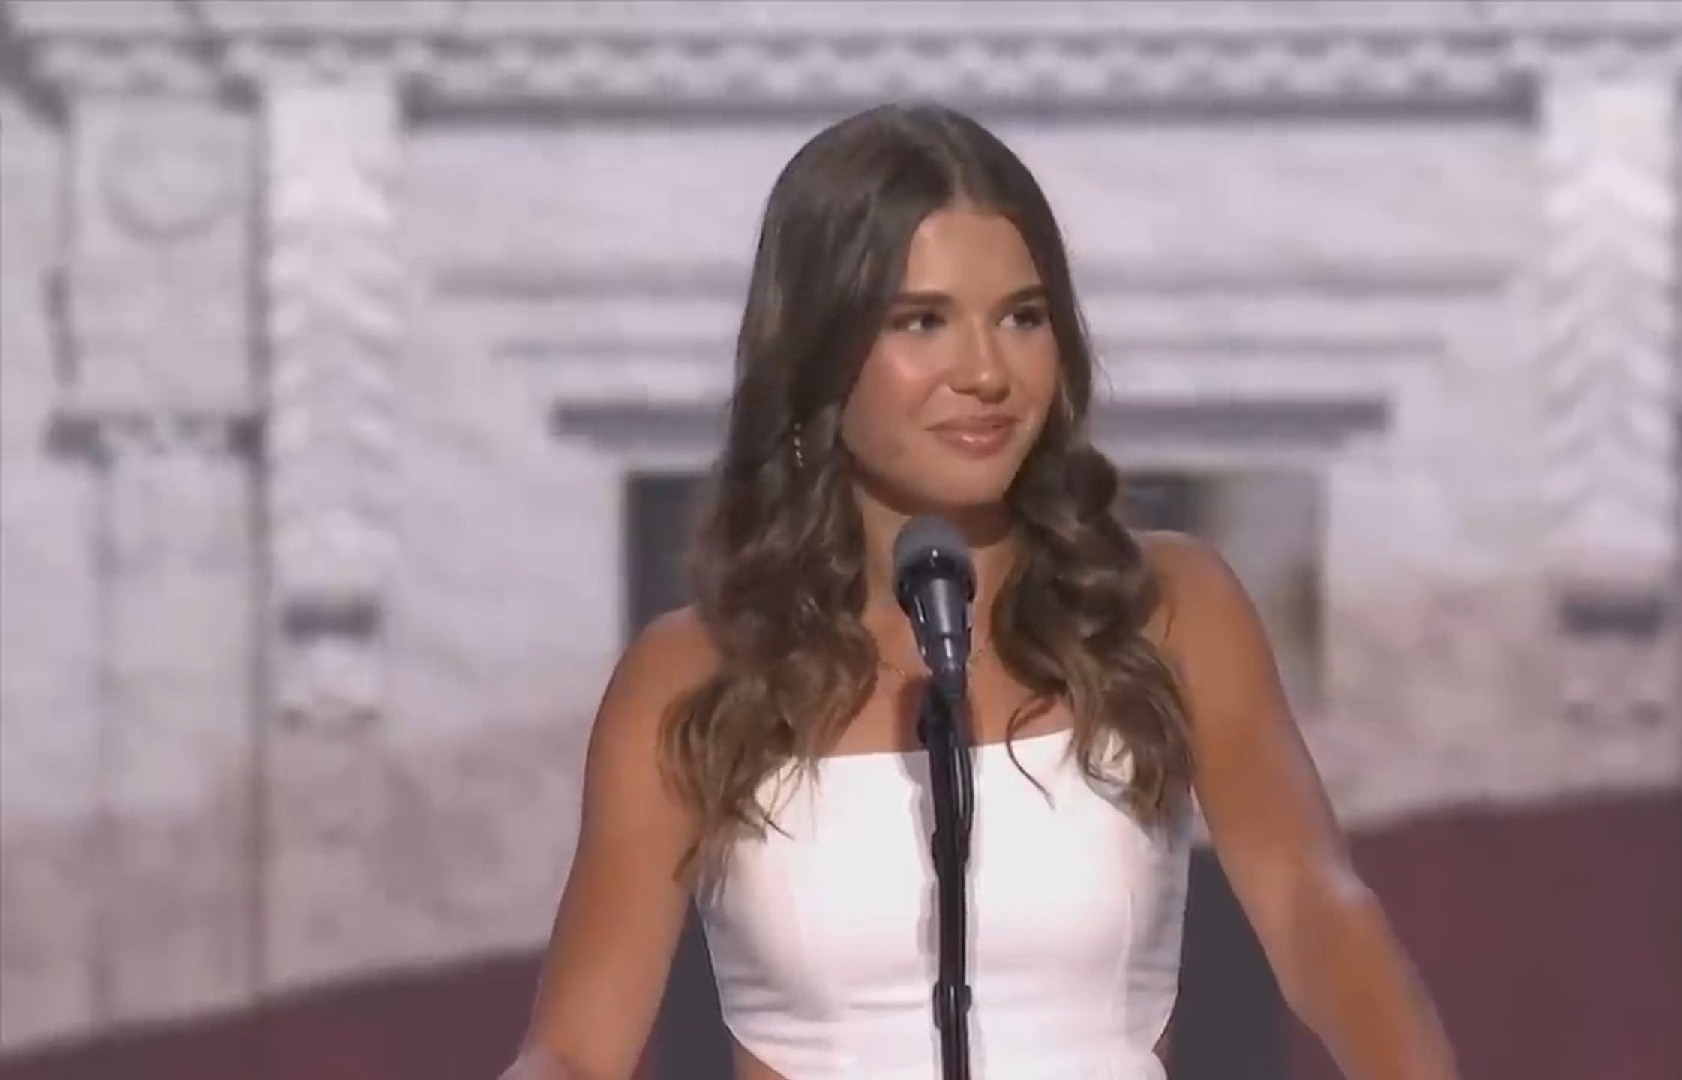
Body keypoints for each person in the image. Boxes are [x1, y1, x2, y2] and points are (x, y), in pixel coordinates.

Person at [501, 102, 1457, 1080]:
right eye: (923, 321)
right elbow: (574, 1051)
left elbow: (1313, 910)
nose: (987, 372)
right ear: (819, 351)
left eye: (1022, 318)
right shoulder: (691, 675)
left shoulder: (1167, 607)